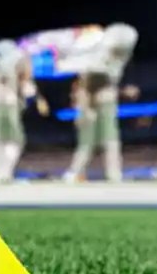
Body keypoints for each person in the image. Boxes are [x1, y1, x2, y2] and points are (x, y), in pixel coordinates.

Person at [60, 23, 140, 182]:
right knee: (92, 139)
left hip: (100, 94)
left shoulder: (110, 54)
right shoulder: (97, 54)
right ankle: (79, 172)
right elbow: (88, 79)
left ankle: (111, 174)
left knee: (106, 137)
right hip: (91, 96)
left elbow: (101, 78)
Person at [0, 39, 48, 183]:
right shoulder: (20, 58)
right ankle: (5, 173)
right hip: (10, 103)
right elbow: (25, 80)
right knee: (16, 139)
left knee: (0, 140)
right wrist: (38, 99)